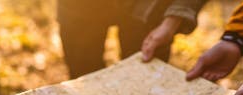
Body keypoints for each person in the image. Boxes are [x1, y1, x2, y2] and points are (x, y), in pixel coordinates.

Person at [57, 0, 207, 78]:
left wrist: (173, 20)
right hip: (78, 6)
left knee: (143, 85)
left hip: (150, 6)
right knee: (84, 79)